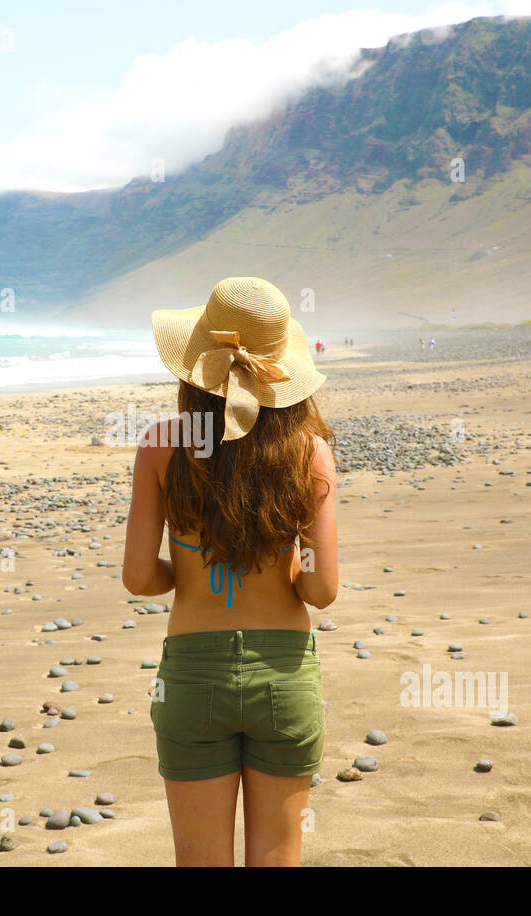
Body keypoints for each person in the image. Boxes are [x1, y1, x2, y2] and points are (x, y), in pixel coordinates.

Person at [123, 276, 339, 867]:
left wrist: (187, 575)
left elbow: (139, 577)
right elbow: (321, 590)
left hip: (193, 677)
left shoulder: (162, 444)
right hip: (285, 677)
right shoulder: (308, 451)